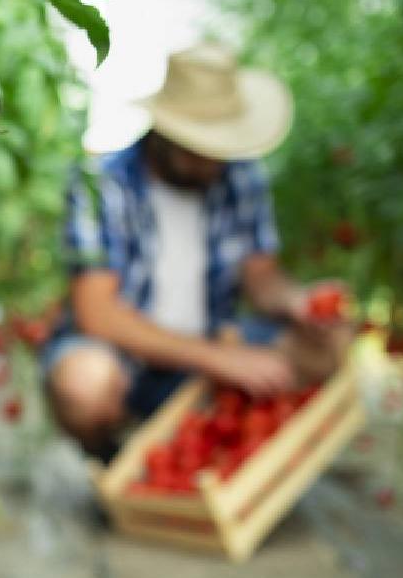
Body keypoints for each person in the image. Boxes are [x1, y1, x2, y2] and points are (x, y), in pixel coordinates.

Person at [42, 43, 352, 460]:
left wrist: (296, 301)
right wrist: (220, 358)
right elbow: (97, 313)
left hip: (212, 345)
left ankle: (223, 446)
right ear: (165, 132)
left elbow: (261, 277)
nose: (213, 162)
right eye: (199, 148)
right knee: (84, 384)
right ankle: (113, 459)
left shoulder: (241, 178)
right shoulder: (101, 184)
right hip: (129, 360)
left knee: (331, 343)